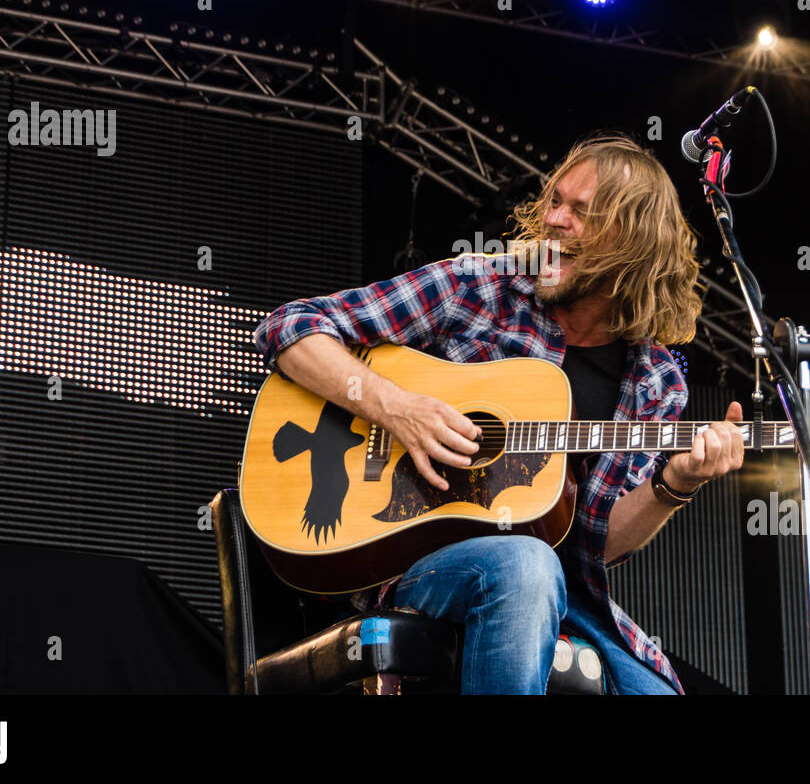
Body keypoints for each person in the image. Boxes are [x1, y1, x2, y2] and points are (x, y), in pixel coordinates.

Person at [254, 133, 745, 694]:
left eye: (580, 212)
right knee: (525, 564)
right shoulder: (479, 287)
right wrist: (398, 408)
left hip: (567, 594)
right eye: (555, 202)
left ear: (632, 244)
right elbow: (290, 328)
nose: (554, 220)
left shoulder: (656, 380)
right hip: (424, 567)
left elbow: (597, 542)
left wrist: (674, 483)